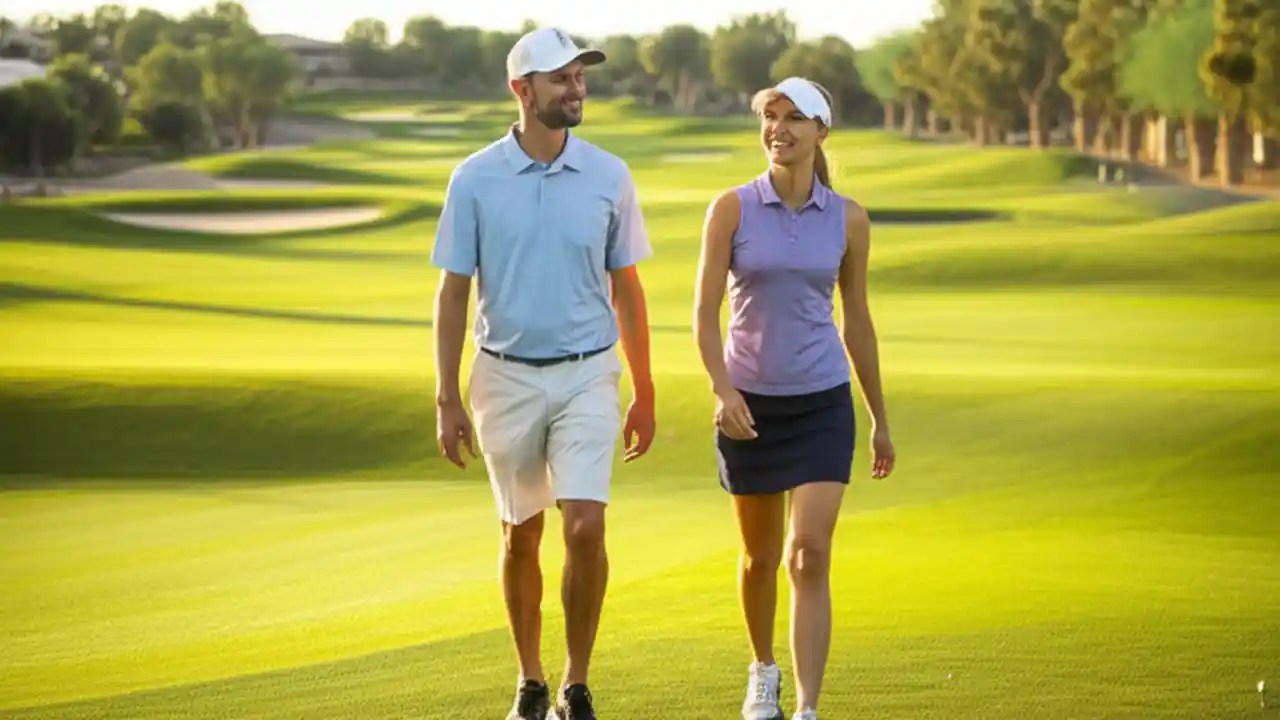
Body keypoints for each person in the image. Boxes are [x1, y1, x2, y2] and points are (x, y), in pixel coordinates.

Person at [431, 26, 656, 720]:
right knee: (521, 531)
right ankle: (530, 681)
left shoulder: (609, 175)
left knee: (585, 526)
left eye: (580, 76)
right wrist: (446, 396)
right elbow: (452, 291)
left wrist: (644, 391)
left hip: (589, 371)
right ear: (521, 90)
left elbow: (628, 288)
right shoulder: (474, 178)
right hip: (504, 377)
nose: (576, 87)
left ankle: (576, 684)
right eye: (560, 78)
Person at [692, 77, 897, 720]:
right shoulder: (731, 208)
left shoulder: (848, 218)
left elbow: (856, 320)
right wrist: (722, 390)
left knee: (807, 553)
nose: (778, 128)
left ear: (821, 132)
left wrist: (878, 419)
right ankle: (764, 672)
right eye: (770, 117)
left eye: (794, 118)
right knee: (758, 558)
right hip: (749, 407)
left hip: (820, 404)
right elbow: (702, 313)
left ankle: (806, 708)